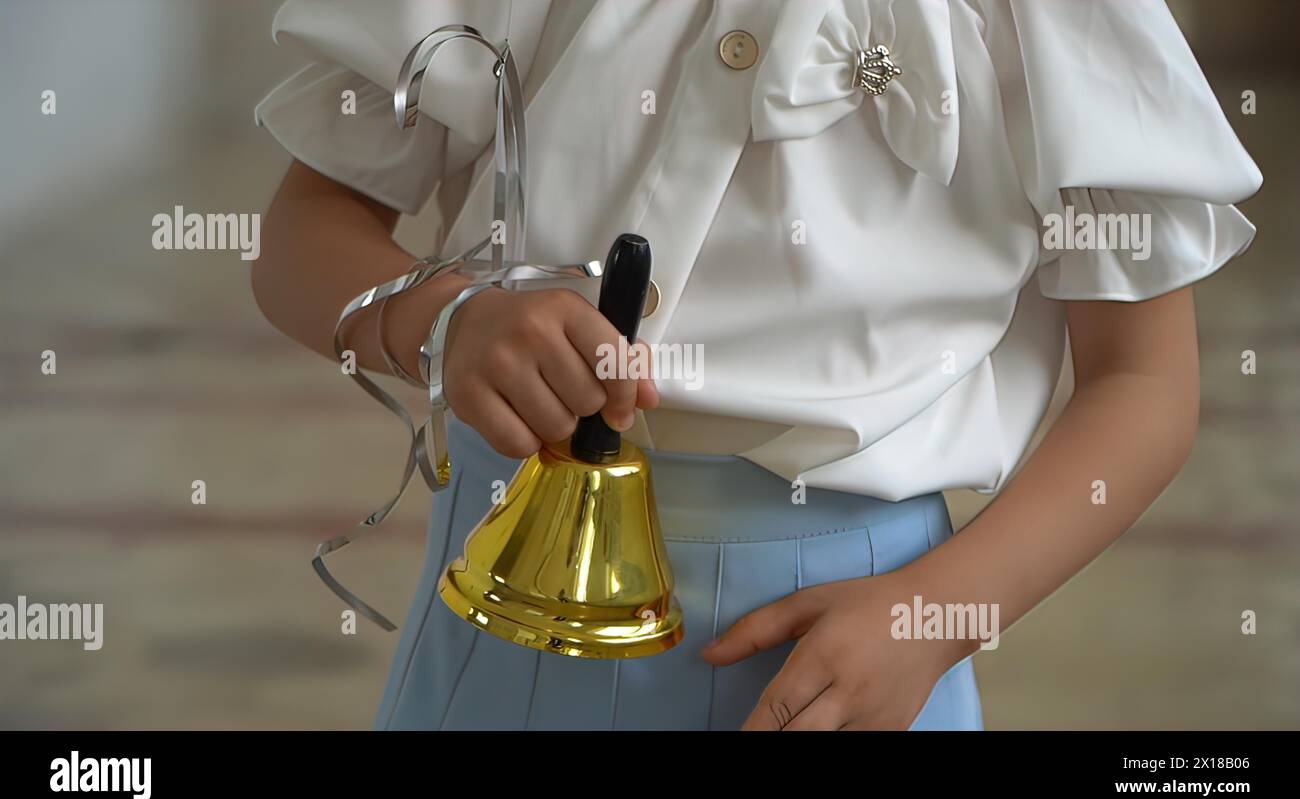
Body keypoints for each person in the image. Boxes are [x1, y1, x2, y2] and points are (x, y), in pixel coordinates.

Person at [250, 0, 1261, 730]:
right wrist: (446, 318)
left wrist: (932, 619)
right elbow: (302, 235)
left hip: (855, 652)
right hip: (504, 619)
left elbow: (1143, 383)